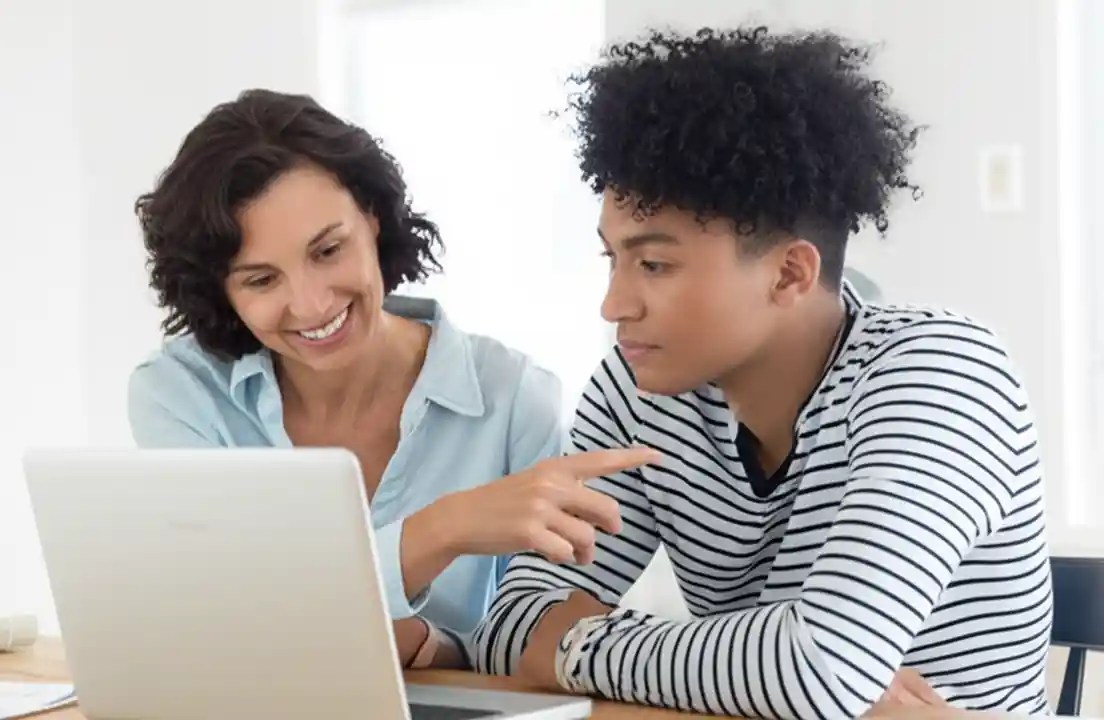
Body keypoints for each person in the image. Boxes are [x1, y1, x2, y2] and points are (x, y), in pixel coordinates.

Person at [472, 26, 1052, 718]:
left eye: (653, 264)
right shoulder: (637, 390)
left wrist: (575, 646)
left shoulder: (944, 375)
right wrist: (784, 672)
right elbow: (512, 630)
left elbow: (820, 671)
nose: (614, 303)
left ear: (788, 273)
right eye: (613, 260)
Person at [127, 89, 656, 669]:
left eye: (328, 250)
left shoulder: (513, 398)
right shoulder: (181, 395)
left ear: (373, 220)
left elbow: (536, 644)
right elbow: (232, 614)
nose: (309, 304)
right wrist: (444, 528)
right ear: (220, 291)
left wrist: (433, 646)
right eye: (260, 280)